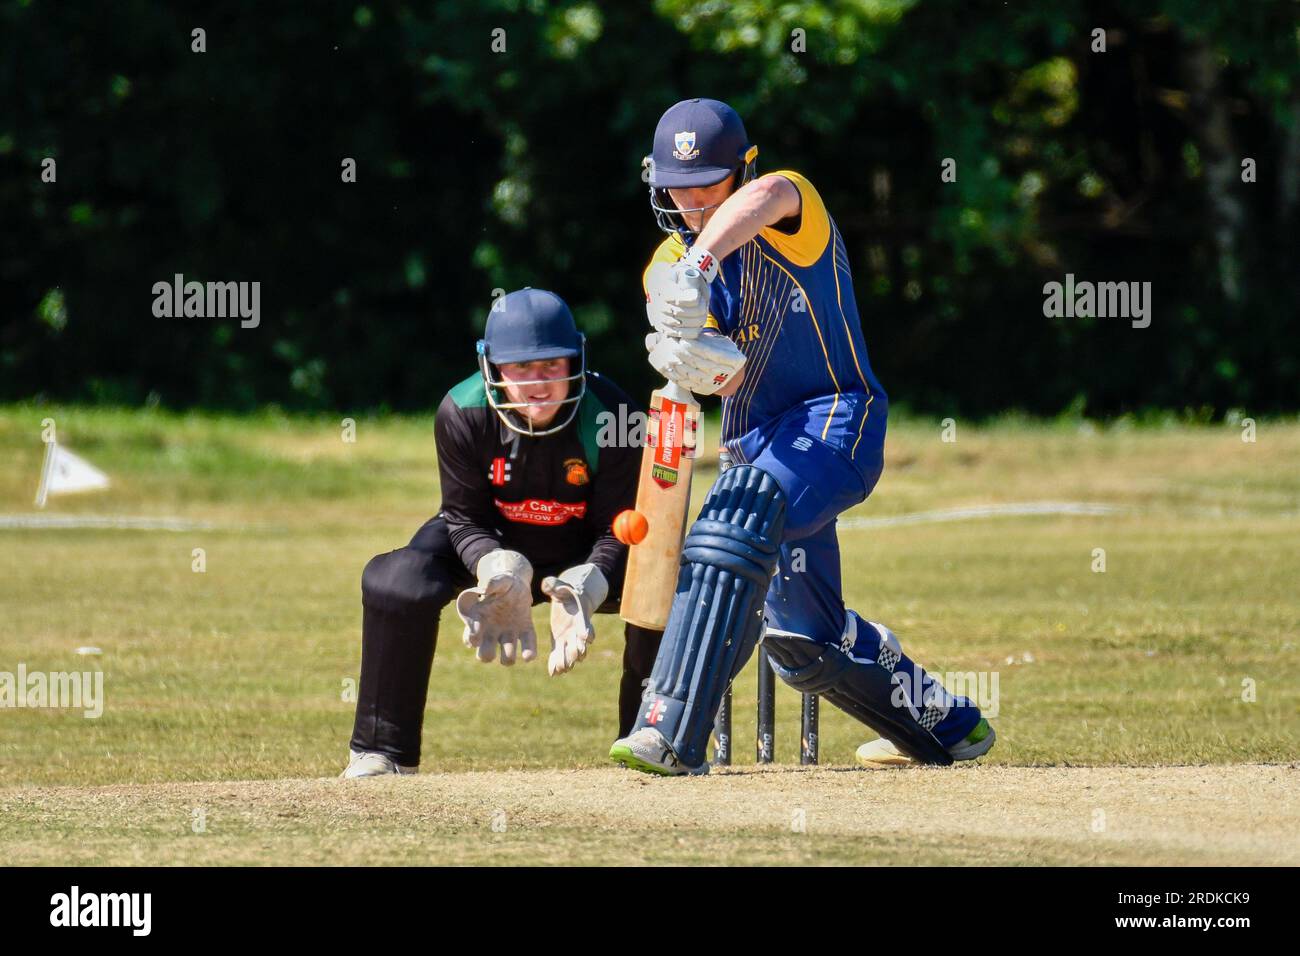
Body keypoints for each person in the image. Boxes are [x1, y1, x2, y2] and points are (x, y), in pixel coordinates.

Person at [609, 98, 996, 774]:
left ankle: (668, 731)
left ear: (742, 169)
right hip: (757, 444)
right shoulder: (661, 263)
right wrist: (684, 355)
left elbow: (768, 196)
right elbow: (719, 373)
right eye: (678, 184)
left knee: (733, 518)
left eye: (709, 182)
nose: (693, 199)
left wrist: (700, 266)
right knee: (803, 643)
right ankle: (945, 722)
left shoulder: (792, 209)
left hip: (837, 420)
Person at [342, 288, 662, 777]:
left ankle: (650, 740)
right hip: (491, 545)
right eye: (521, 368)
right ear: (491, 366)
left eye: (552, 365)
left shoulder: (615, 416)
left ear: (576, 358)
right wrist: (501, 568)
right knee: (396, 580)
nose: (539, 382)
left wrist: (587, 584)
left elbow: (620, 526)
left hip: (584, 549)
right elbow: (463, 518)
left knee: (672, 584)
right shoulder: (461, 410)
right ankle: (381, 751)